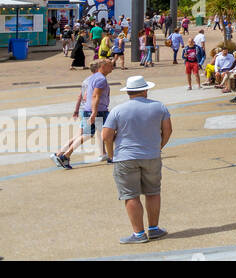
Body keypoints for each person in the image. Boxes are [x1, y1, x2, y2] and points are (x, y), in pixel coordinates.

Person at [102, 74, 172, 244]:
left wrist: (111, 154)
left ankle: (139, 233)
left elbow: (106, 136)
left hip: (126, 157)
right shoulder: (159, 107)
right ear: (145, 90)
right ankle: (154, 228)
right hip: (152, 156)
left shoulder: (118, 110)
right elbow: (168, 130)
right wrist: (158, 146)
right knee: (153, 192)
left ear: (128, 92)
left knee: (130, 195)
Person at [51, 57, 115, 168]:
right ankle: (110, 157)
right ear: (102, 66)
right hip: (99, 111)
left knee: (88, 134)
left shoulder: (92, 78)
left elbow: (85, 95)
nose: (112, 67)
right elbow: (95, 96)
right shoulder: (101, 79)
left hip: (89, 109)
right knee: (106, 133)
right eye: (110, 65)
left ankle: (65, 155)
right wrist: (94, 112)